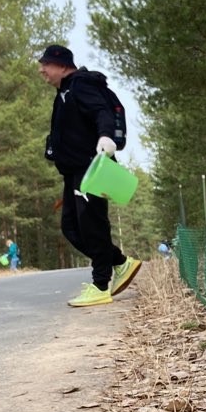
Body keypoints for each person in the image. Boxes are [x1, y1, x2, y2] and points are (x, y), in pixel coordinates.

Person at [38, 44, 140, 307]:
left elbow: (101, 112)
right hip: (73, 172)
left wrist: (106, 136)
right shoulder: (63, 94)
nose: (42, 70)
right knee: (71, 228)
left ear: (62, 65)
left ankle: (100, 285)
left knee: (91, 224)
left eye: (46, 64)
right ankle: (120, 262)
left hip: (92, 169)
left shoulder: (81, 85)